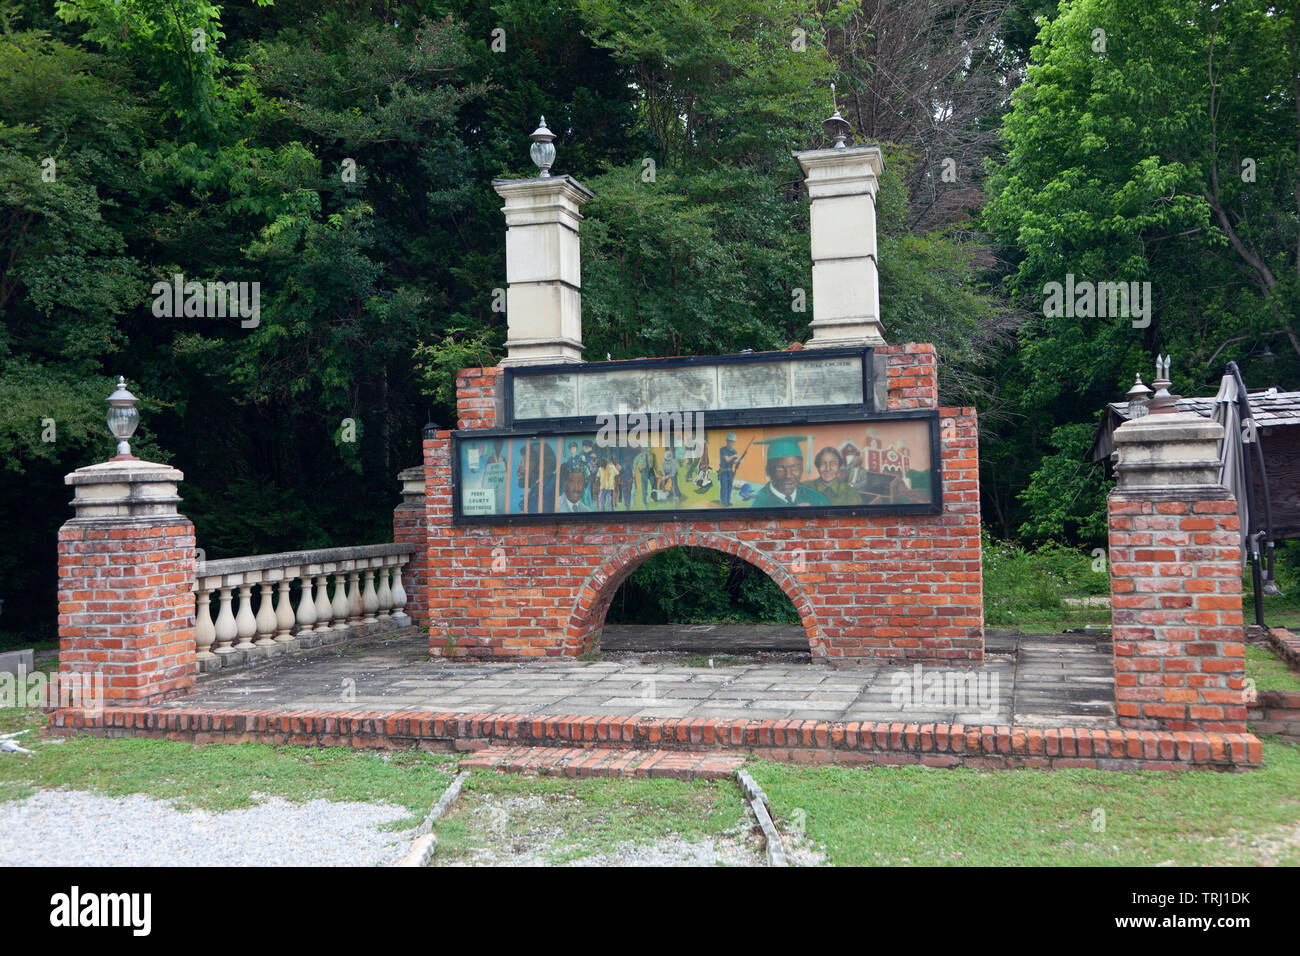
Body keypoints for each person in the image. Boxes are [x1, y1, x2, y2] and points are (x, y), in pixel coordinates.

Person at [749, 436, 829, 508]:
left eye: (794, 467)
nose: (788, 475)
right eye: (780, 468)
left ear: (802, 469)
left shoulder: (817, 499)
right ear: (768, 470)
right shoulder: (758, 503)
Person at [717, 432, 740, 506]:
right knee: (724, 487)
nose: (732, 443)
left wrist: (738, 461)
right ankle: (724, 501)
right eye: (730, 441)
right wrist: (734, 457)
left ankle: (728, 500)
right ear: (727, 441)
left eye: (733, 442)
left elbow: (734, 462)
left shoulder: (734, 451)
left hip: (730, 472)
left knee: (730, 487)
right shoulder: (722, 449)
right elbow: (727, 459)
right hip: (723, 471)